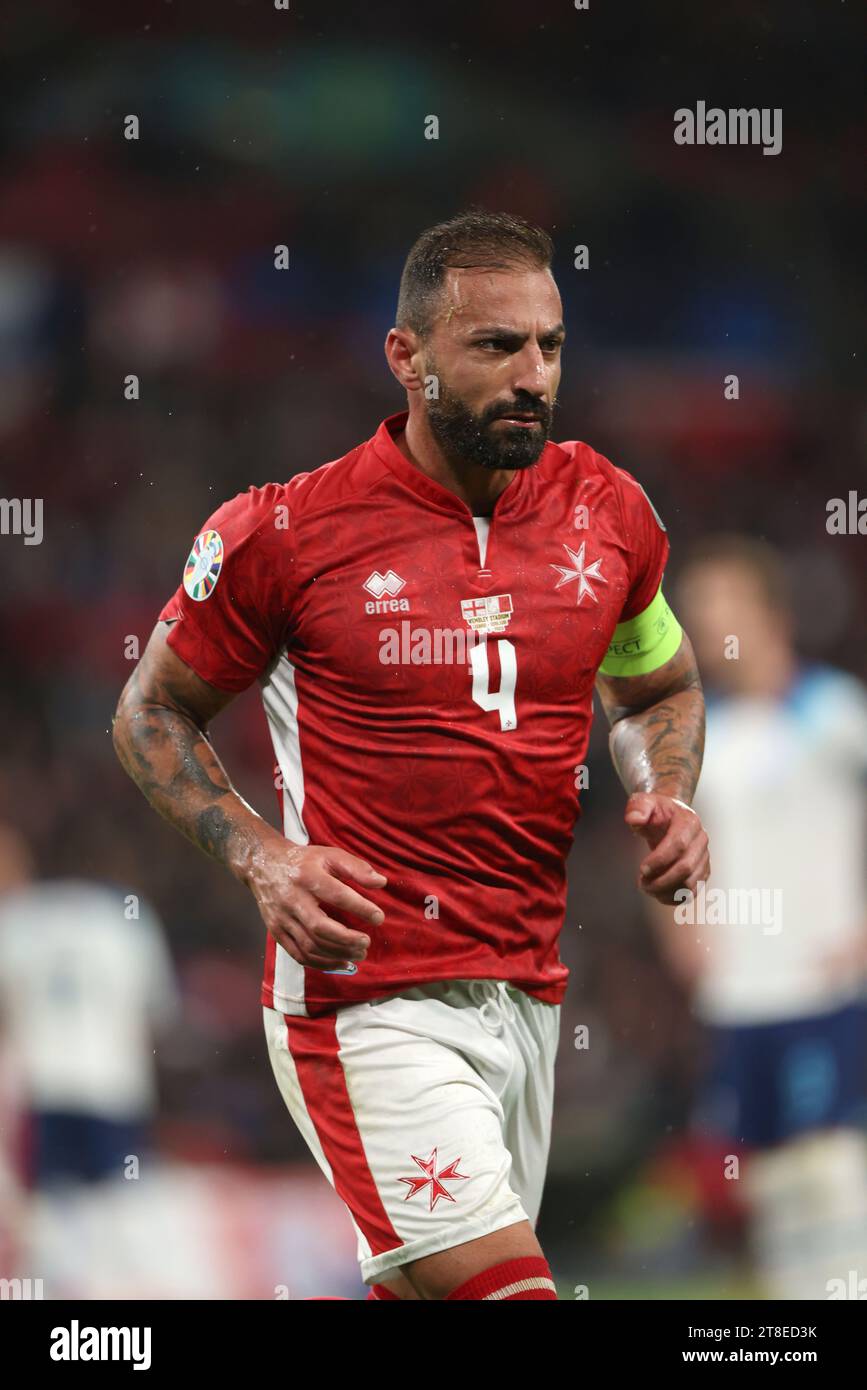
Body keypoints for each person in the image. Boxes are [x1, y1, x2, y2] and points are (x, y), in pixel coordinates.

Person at [113, 209, 709, 1301]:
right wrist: (262, 859)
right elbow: (151, 712)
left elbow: (659, 686)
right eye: (496, 346)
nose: (534, 374)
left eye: (551, 346)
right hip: (363, 998)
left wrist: (664, 787)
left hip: (528, 991)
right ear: (407, 356)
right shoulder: (285, 533)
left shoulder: (607, 514)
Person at [650, 536, 867, 1299]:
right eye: (699, 612)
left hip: (825, 988)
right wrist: (681, 933)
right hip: (740, 995)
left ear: (769, 612)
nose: (709, 627)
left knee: (832, 1168)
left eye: (723, 606)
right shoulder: (697, 738)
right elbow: (664, 852)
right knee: (767, 1175)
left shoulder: (833, 713)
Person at [0, 823, 179, 1190]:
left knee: (49, 1207)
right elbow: (160, 1012)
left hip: (40, 1088)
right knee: (115, 1204)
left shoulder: (14, 919)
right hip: (115, 1087)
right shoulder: (129, 916)